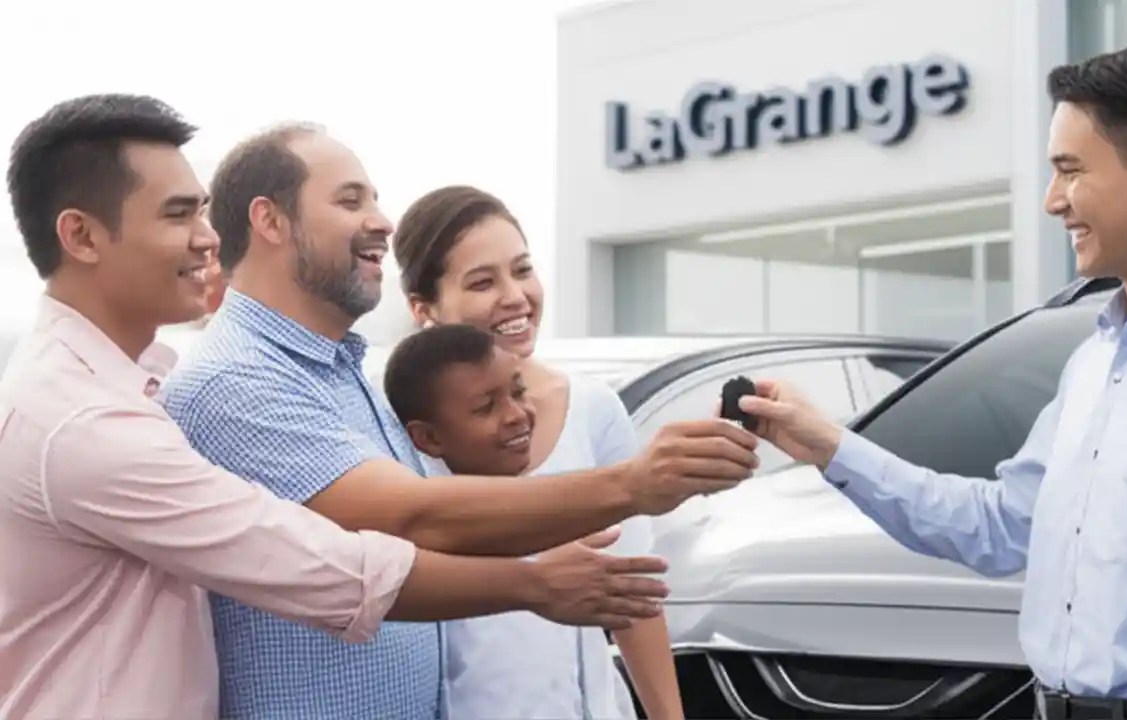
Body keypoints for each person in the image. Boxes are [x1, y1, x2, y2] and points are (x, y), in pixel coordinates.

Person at [0, 93, 669, 719]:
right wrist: (613, 503)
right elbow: (355, 552)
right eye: (180, 214)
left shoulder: (301, 376)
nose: (208, 238)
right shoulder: (107, 416)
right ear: (83, 237)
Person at [732, 44, 1127, 720]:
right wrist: (827, 445)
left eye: (1070, 171)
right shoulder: (1096, 362)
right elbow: (1000, 526)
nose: (1053, 201)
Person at [158, 122, 758, 719]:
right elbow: (414, 519)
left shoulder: (346, 373)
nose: (383, 222)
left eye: (522, 270)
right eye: (350, 199)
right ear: (270, 222)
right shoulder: (235, 381)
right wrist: (629, 489)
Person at [390, 185, 682, 719]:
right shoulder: (396, 430)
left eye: (522, 270)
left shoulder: (592, 410)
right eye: (482, 282)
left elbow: (634, 598)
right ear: (423, 309)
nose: (515, 296)